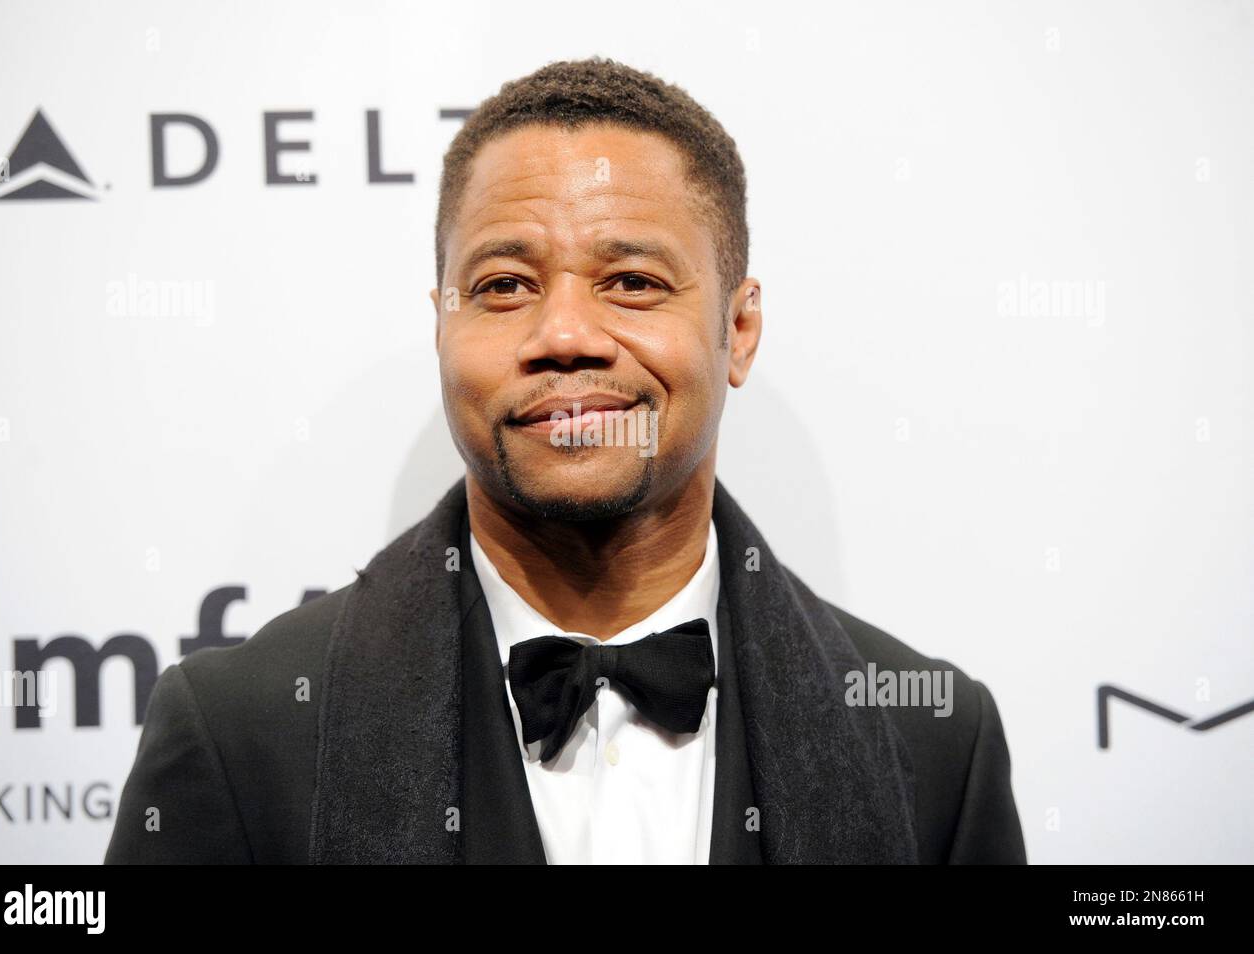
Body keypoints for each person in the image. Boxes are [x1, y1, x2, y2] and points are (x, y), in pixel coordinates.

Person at [105, 56, 1025, 864]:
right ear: (442, 326)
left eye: (632, 282)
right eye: (505, 286)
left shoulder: (933, 744)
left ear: (737, 331)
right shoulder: (240, 736)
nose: (565, 335)